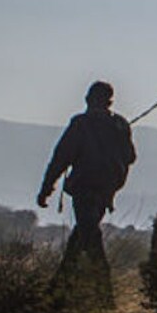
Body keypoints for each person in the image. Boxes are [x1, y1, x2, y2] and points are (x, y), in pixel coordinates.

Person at [38, 81, 137, 273]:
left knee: (90, 236)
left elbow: (60, 158)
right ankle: (61, 283)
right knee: (83, 233)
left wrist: (46, 189)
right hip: (107, 190)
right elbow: (131, 157)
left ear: (88, 99)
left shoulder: (80, 124)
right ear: (109, 102)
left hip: (84, 187)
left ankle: (103, 283)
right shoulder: (120, 124)